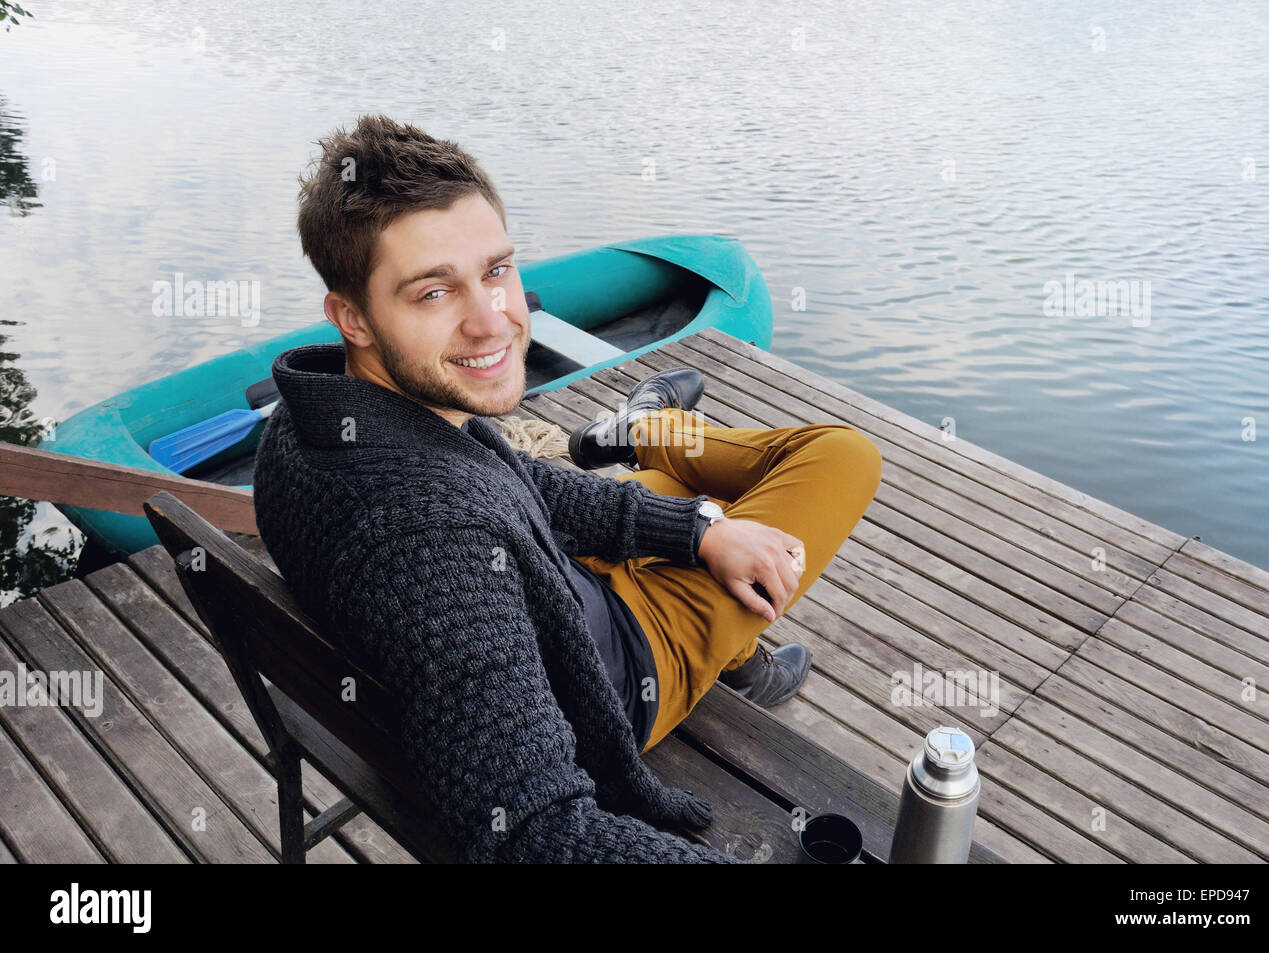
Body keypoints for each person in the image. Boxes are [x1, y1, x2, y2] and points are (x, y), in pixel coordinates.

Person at [253, 114, 883, 863]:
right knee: (842, 454)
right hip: (623, 667)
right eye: (432, 293)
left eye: (495, 270)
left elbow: (518, 487)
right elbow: (537, 834)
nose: (493, 322)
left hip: (553, 592)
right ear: (352, 317)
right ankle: (651, 436)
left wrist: (698, 533)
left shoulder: (307, 419)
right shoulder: (433, 546)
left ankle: (652, 442)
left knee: (675, 502)